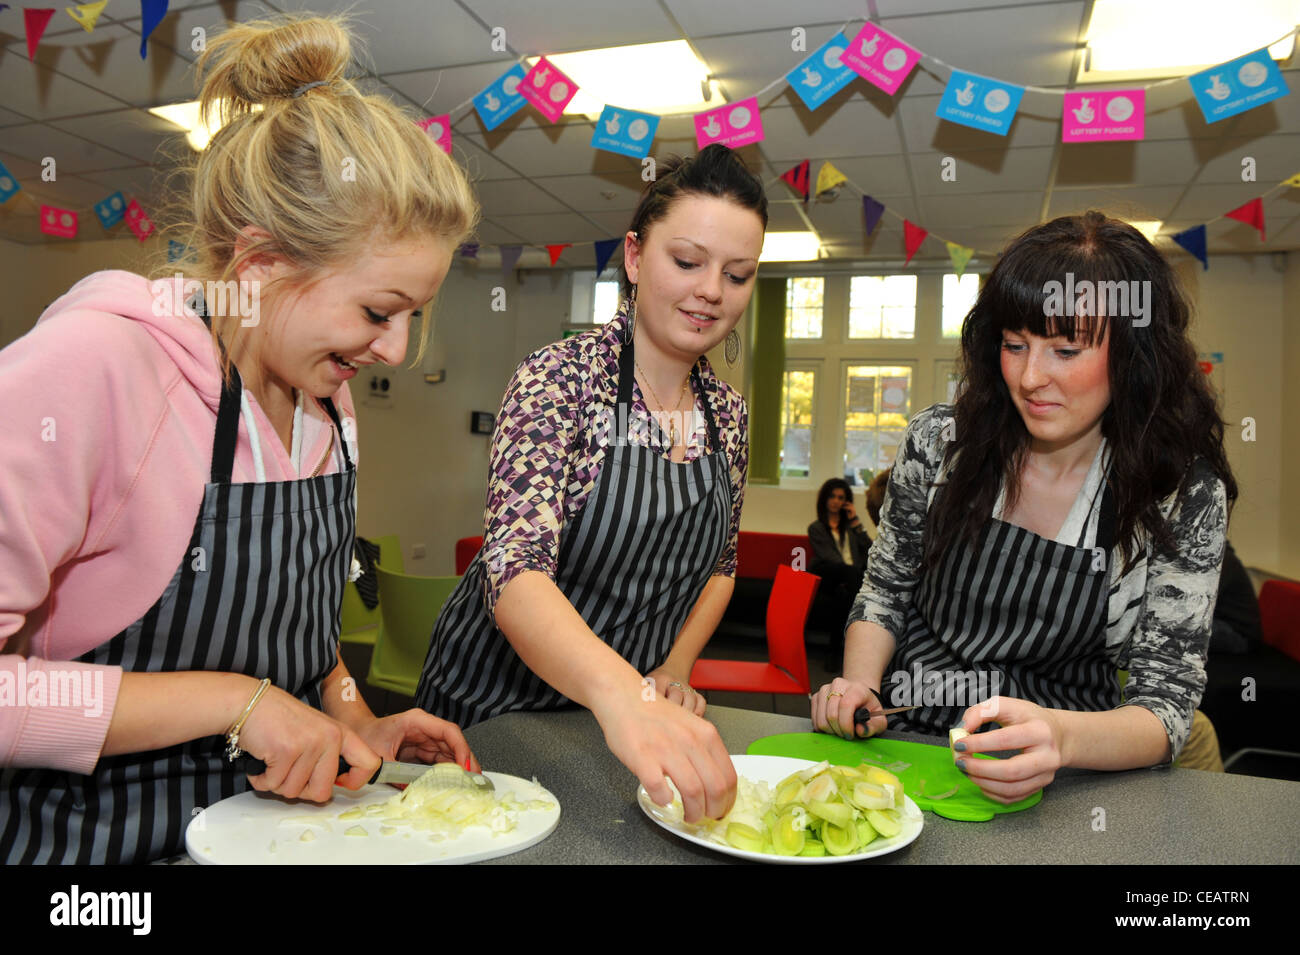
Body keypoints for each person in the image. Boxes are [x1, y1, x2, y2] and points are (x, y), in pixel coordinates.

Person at [0, 15, 481, 863]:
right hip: (89, 856)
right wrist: (237, 701)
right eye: (378, 311)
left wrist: (353, 714)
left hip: (266, 839)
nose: (397, 351)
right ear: (259, 266)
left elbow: (296, 633)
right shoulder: (95, 367)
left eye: (415, 315)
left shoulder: (329, 409)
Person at [812, 211, 1235, 805]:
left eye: (1065, 350)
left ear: (1134, 356)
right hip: (915, 752)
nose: (1031, 377)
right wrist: (859, 683)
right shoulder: (939, 445)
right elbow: (884, 591)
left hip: (1069, 778)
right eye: (1015, 345)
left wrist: (1059, 735)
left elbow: (1164, 710)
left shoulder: (1180, 494)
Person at [415, 145, 765, 823]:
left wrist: (671, 669)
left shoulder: (728, 416)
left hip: (616, 726)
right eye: (687, 261)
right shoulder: (561, 380)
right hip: (494, 712)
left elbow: (722, 566)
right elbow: (514, 571)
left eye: (738, 273)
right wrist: (628, 698)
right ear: (635, 257)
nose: (712, 291)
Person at [808, 478, 871, 668]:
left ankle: (834, 651)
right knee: (849, 574)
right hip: (828, 574)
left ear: (846, 501)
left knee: (843, 595)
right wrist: (851, 573)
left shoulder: (851, 527)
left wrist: (855, 520)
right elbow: (828, 557)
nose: (836, 501)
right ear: (825, 500)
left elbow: (870, 549)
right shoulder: (816, 528)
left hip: (847, 582)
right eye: (832, 497)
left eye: (840, 497)